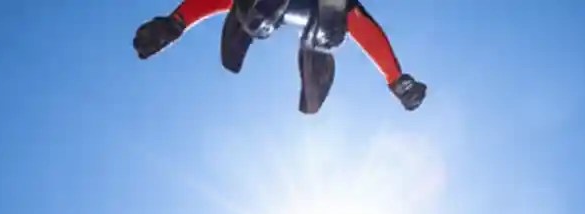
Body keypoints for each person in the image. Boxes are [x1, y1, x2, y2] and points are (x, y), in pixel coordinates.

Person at [133, 0, 427, 114]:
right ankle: (259, 21)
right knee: (256, 14)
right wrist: (175, 23)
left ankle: (316, 50)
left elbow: (362, 27)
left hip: (318, 10)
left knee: (331, 27)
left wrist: (396, 80)